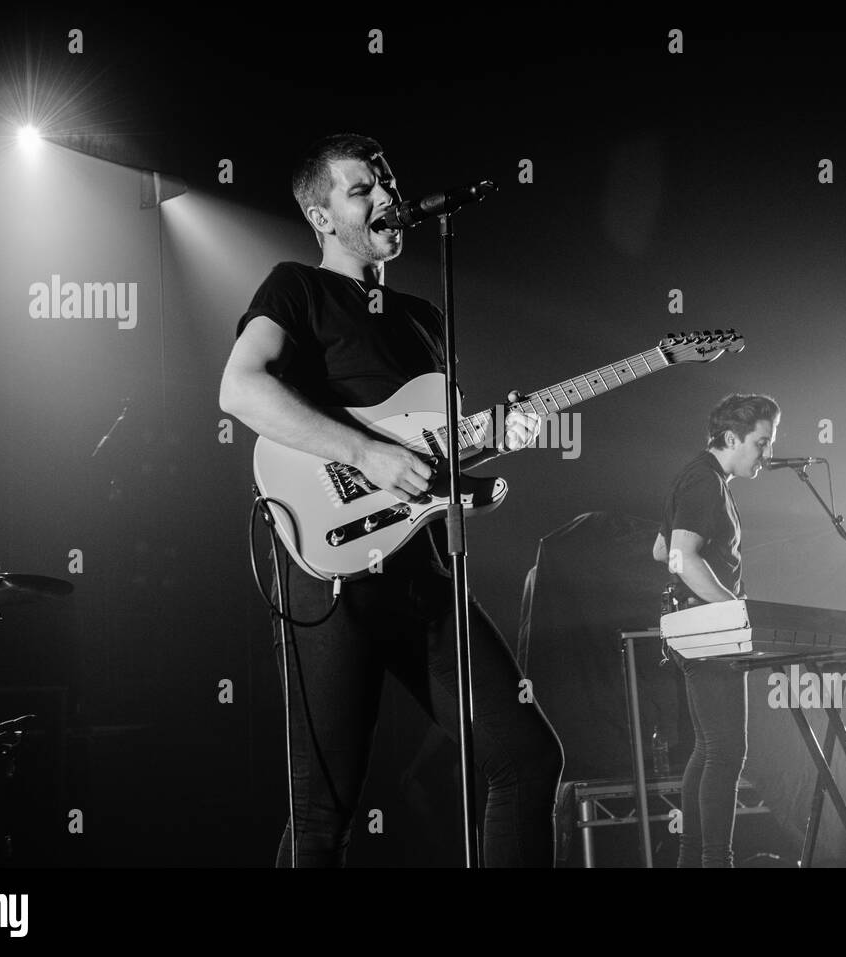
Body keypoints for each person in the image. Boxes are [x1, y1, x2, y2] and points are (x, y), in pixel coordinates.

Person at [219, 133, 564, 867]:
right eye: (360, 189)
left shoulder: (424, 318)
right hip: (332, 579)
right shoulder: (296, 287)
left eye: (387, 181)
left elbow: (430, 455)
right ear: (321, 215)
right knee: (325, 812)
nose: (384, 197)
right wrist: (364, 451)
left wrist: (501, 439)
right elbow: (241, 387)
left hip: (425, 576)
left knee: (527, 757)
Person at [651, 393, 779, 867]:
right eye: (761, 443)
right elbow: (681, 557)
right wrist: (732, 610)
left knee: (709, 748)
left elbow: (663, 550)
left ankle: (695, 861)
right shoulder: (704, 481)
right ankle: (714, 862)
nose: (766, 455)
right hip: (709, 630)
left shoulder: (698, 477)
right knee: (727, 750)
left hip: (694, 627)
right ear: (732, 438)